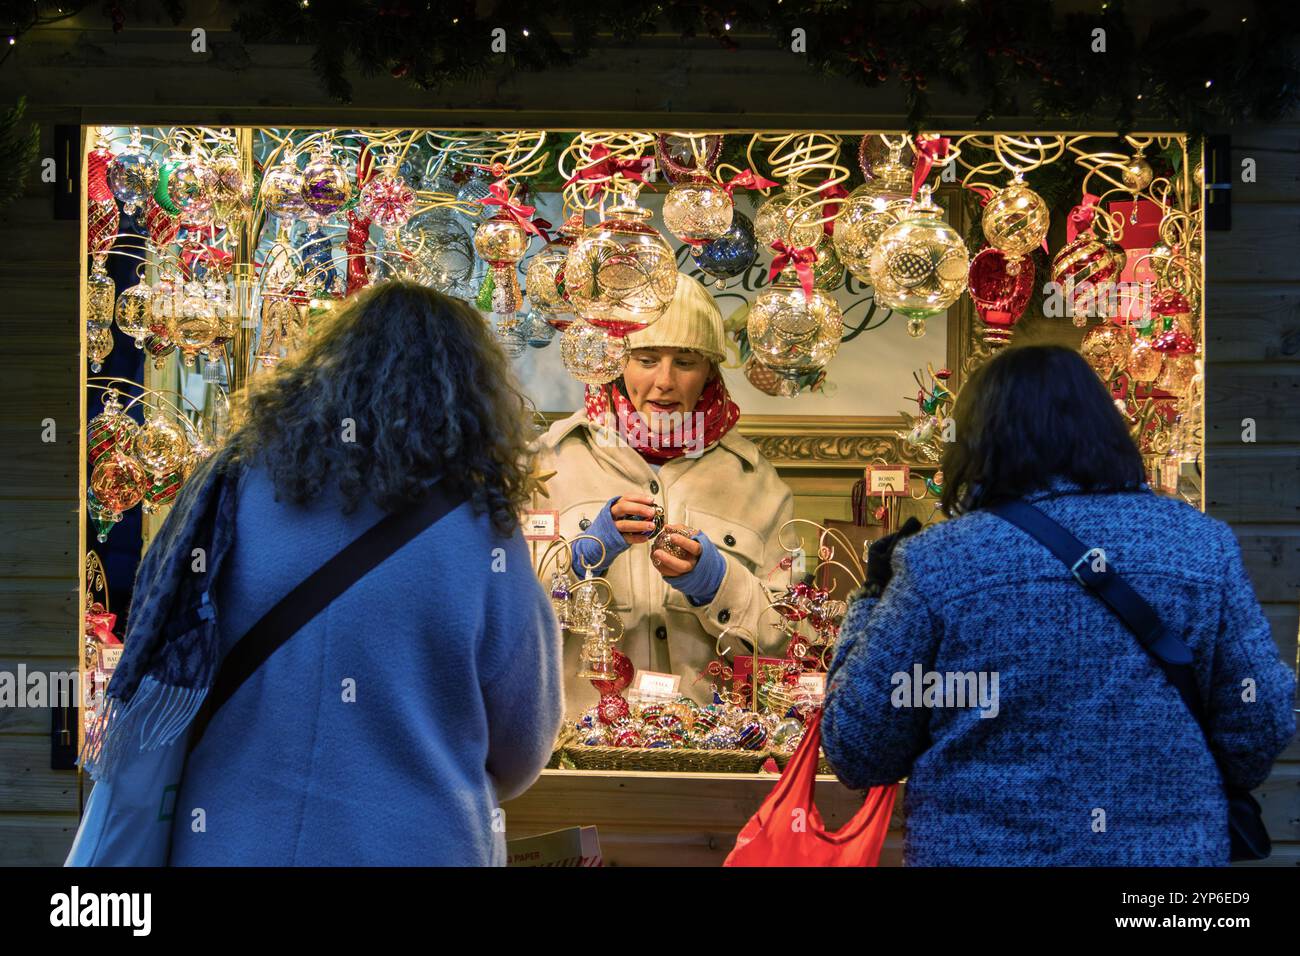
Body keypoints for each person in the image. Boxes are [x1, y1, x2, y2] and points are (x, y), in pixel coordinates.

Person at [123, 280, 564, 866]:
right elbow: (523, 746)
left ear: (320, 376)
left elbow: (157, 643)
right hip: (415, 845)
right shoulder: (483, 538)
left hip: (230, 843)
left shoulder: (232, 493)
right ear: (470, 399)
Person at [821, 344, 1296, 866]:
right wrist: (1177, 770)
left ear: (977, 444)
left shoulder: (940, 561)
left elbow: (859, 749)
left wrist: (870, 598)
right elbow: (1260, 720)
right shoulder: (1202, 548)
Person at [527, 273, 795, 713]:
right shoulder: (548, 464)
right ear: (616, 362)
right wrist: (579, 559)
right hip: (577, 743)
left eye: (685, 362)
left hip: (709, 751)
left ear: (710, 370)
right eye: (646, 359)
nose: (665, 381)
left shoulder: (758, 482)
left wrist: (717, 583)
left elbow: (789, 638)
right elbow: (503, 620)